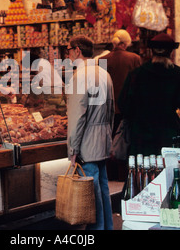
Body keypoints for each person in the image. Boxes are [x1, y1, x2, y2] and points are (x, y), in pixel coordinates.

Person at [118, 33, 180, 156]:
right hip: (169, 135)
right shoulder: (179, 76)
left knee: (143, 171)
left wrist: (137, 119)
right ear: (171, 53)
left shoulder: (136, 74)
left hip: (141, 136)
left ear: (152, 52)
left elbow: (123, 104)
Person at [66, 36, 114, 230]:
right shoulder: (104, 74)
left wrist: (72, 148)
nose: (67, 55)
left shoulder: (79, 76)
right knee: (103, 191)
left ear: (77, 50)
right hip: (102, 140)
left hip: (87, 143)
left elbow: (77, 116)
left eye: (68, 50)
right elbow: (111, 111)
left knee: (92, 197)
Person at [100, 29, 142, 181]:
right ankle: (125, 176)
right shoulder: (134, 58)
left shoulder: (102, 60)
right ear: (124, 44)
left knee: (110, 143)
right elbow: (139, 86)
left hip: (108, 110)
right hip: (128, 110)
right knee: (125, 142)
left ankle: (110, 175)